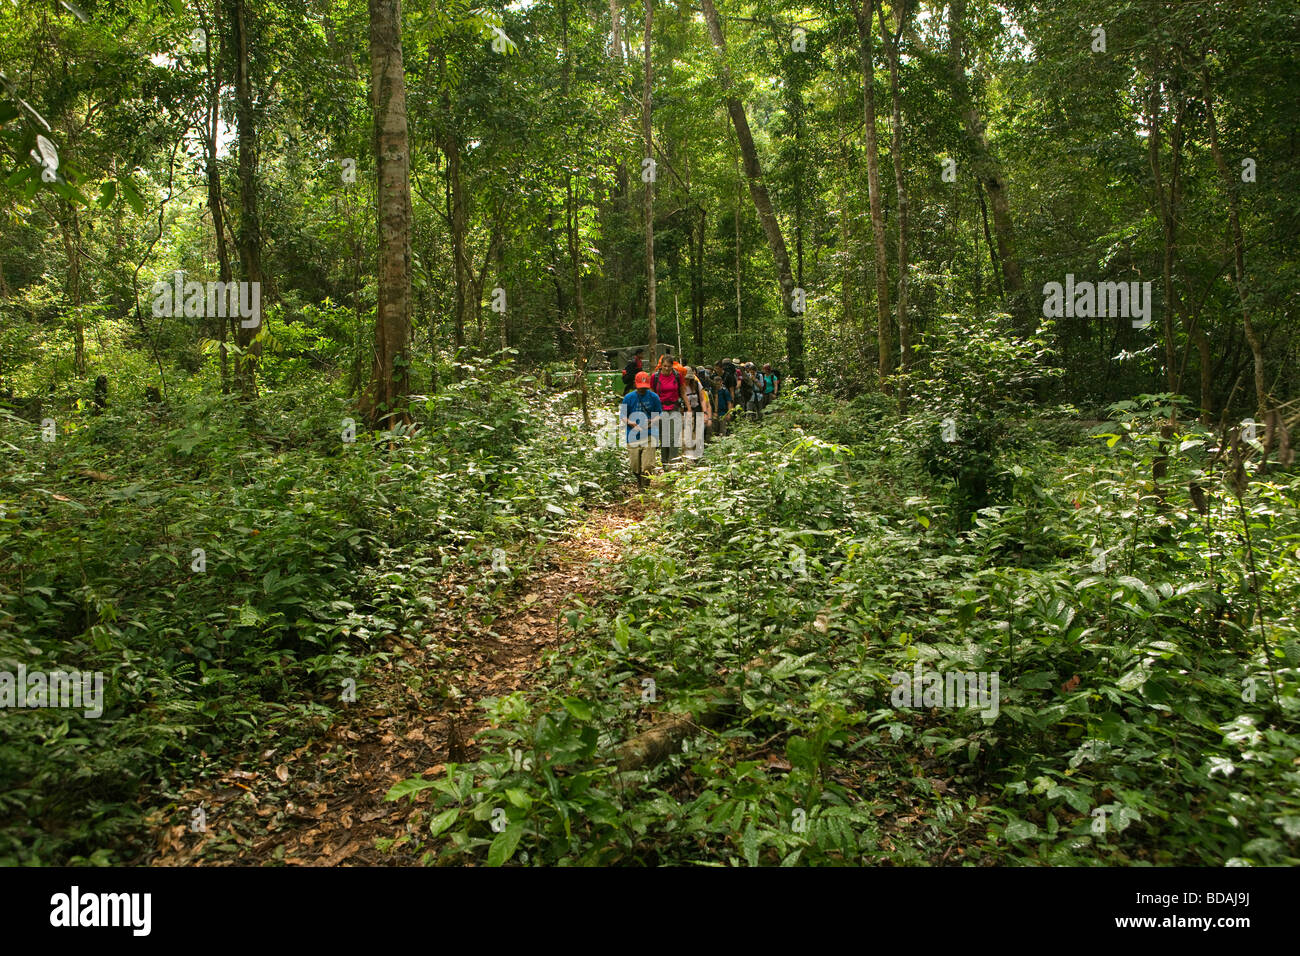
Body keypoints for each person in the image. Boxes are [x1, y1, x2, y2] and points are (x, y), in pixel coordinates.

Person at [619, 371, 661, 489]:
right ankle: (639, 481)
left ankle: (645, 487)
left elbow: (659, 414)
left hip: (649, 434)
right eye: (640, 387)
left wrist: (652, 422)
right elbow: (622, 415)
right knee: (634, 465)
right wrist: (630, 423)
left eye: (644, 388)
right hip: (632, 435)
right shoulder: (628, 398)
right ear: (635, 385)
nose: (642, 390)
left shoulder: (654, 397)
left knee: (647, 465)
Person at [650, 355, 684, 467]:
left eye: (669, 366)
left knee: (674, 437)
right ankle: (665, 463)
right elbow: (652, 394)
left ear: (672, 366)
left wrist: (687, 408)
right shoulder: (655, 377)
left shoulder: (677, 376)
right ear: (661, 366)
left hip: (674, 408)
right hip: (661, 408)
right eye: (664, 366)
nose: (666, 368)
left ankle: (673, 464)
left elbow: (682, 392)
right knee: (664, 437)